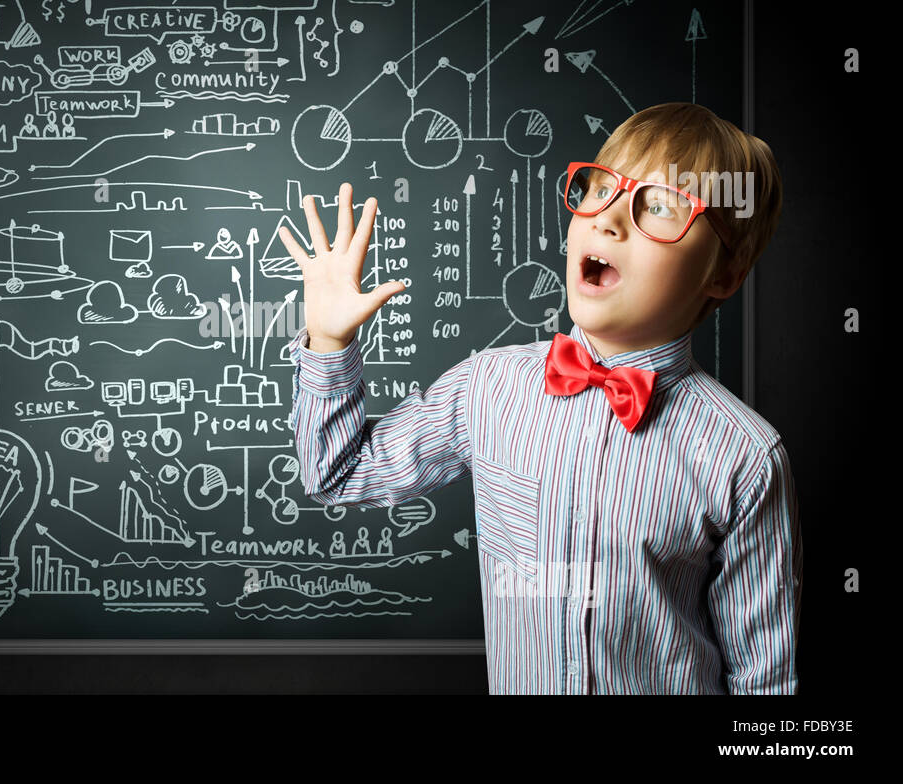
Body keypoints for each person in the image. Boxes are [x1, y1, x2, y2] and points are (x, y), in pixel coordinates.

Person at [278, 101, 801, 694]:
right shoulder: (489, 387)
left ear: (723, 275)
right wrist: (327, 339)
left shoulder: (747, 457)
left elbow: (765, 683)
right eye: (600, 189)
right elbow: (336, 474)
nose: (609, 221)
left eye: (657, 206)